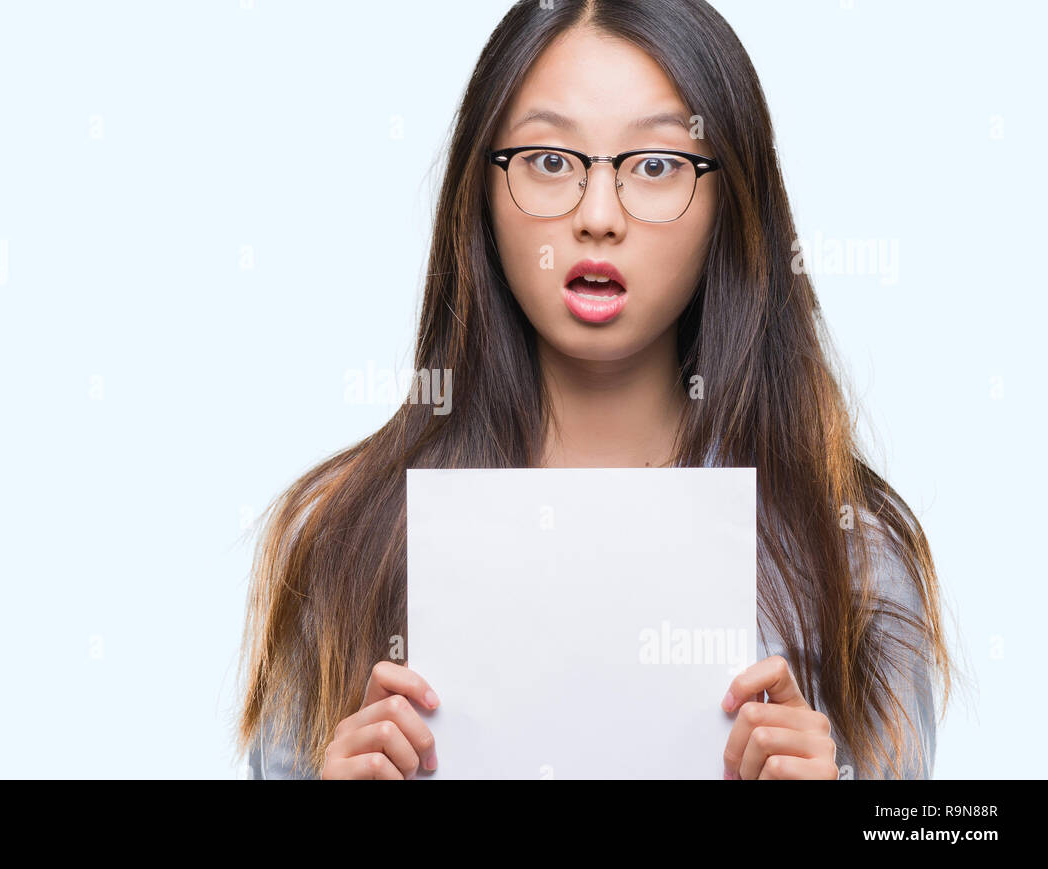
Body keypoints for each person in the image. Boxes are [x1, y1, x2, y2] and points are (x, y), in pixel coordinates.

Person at [235, 0, 954, 780]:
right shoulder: (346, 536)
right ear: (481, 188)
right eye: (549, 159)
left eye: (655, 165)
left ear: (730, 201)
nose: (598, 215)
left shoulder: (849, 553)